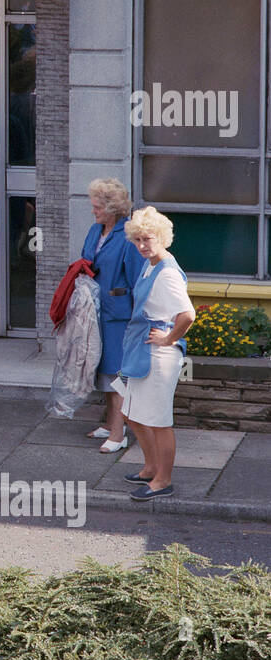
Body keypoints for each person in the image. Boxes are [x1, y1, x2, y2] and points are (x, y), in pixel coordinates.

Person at [114, 208, 195, 502]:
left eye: (147, 239)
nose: (142, 245)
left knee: (159, 421)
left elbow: (187, 315)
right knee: (131, 415)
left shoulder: (168, 272)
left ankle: (163, 480)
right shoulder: (151, 264)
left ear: (161, 237)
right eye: (137, 240)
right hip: (141, 349)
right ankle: (150, 467)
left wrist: (169, 338)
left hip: (157, 355)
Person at [80, 179, 145, 454]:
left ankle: (119, 434)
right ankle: (109, 424)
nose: (93, 211)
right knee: (104, 368)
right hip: (97, 310)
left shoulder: (129, 235)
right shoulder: (97, 230)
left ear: (113, 208)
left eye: (97, 207)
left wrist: (138, 320)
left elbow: (139, 280)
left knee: (117, 375)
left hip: (120, 315)